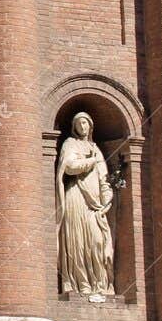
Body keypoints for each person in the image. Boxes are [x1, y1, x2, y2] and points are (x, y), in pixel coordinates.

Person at [55, 111, 115, 299]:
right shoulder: (69, 144)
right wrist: (90, 161)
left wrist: (107, 199)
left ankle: (100, 284)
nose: (83, 126)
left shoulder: (96, 148)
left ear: (90, 126)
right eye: (79, 123)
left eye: (85, 123)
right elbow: (69, 167)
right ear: (74, 127)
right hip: (76, 197)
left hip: (95, 204)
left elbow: (104, 178)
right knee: (77, 241)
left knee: (97, 242)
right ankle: (81, 283)